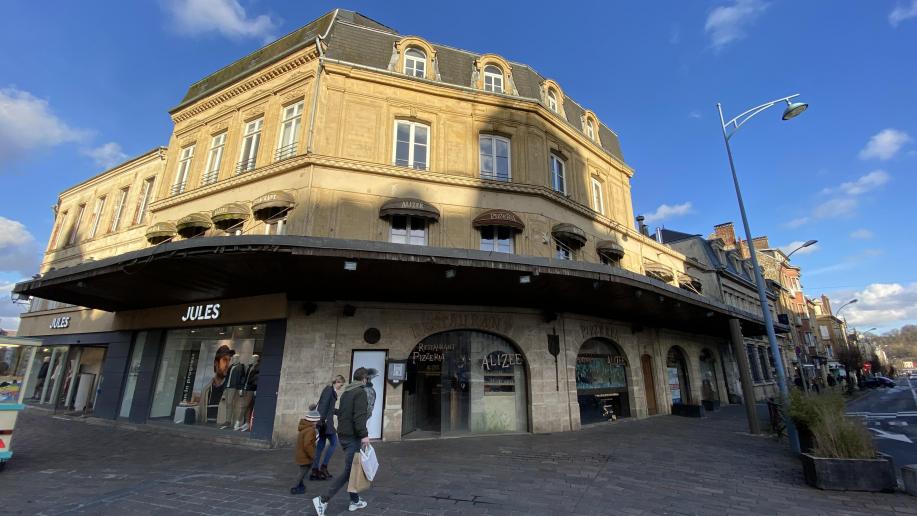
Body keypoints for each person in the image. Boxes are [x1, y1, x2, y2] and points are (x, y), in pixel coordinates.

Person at [313, 368, 371, 515]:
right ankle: (323, 499)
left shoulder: (347, 392)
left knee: (353, 469)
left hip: (343, 435)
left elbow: (342, 414)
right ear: (364, 379)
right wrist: (364, 435)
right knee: (349, 471)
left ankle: (355, 500)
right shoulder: (360, 393)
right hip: (352, 436)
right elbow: (359, 417)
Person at [311, 375, 345, 480]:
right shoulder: (329, 391)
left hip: (325, 423)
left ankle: (315, 470)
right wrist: (321, 422)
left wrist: (339, 412)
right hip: (326, 424)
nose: (341, 386)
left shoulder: (330, 390)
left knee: (321, 445)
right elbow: (322, 406)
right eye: (341, 384)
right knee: (334, 443)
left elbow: (329, 408)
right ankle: (323, 467)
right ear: (337, 382)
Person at [291, 408, 321, 494]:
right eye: (317, 421)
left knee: (303, 471)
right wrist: (313, 455)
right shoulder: (310, 430)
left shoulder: (305, 428)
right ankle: (295, 487)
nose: (317, 423)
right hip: (305, 456)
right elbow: (307, 444)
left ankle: (300, 485)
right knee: (302, 472)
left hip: (301, 454)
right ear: (313, 421)